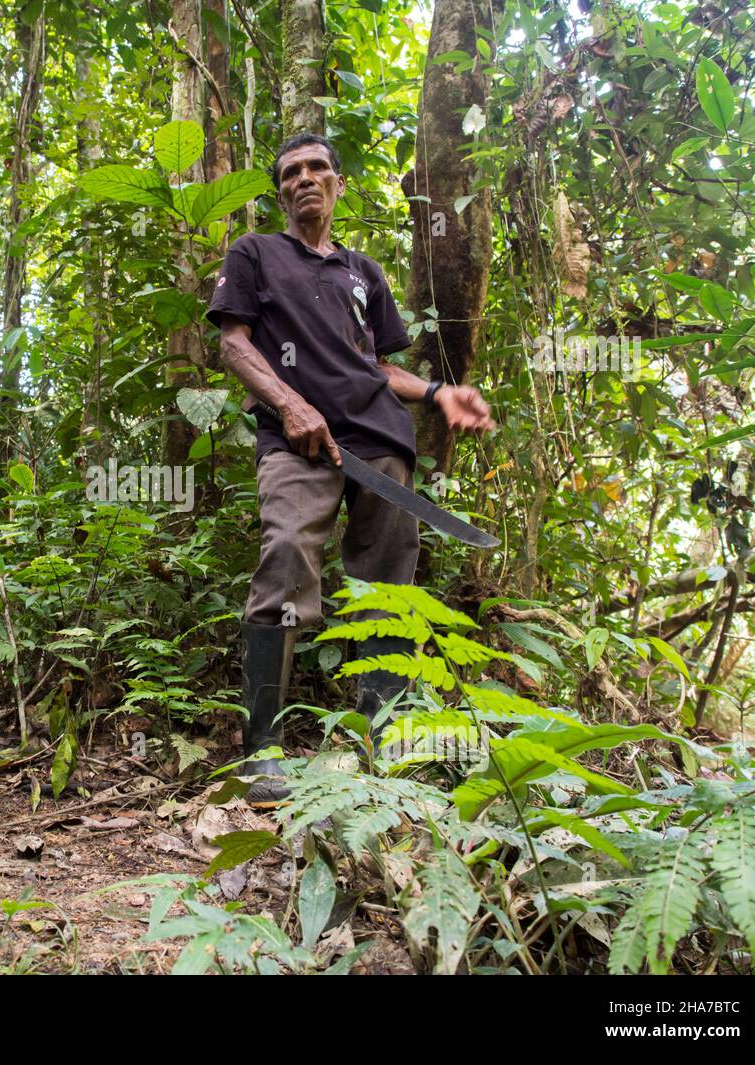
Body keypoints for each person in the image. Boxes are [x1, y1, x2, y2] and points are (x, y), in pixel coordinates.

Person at [206, 133, 495, 807]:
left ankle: (382, 738)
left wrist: (436, 394)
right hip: (295, 441)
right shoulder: (256, 254)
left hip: (380, 441)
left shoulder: (364, 271)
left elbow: (379, 365)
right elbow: (232, 342)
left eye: (317, 169)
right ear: (279, 191)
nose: (305, 179)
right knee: (285, 558)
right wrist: (289, 402)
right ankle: (263, 750)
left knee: (387, 586)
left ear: (338, 184)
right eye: (291, 172)